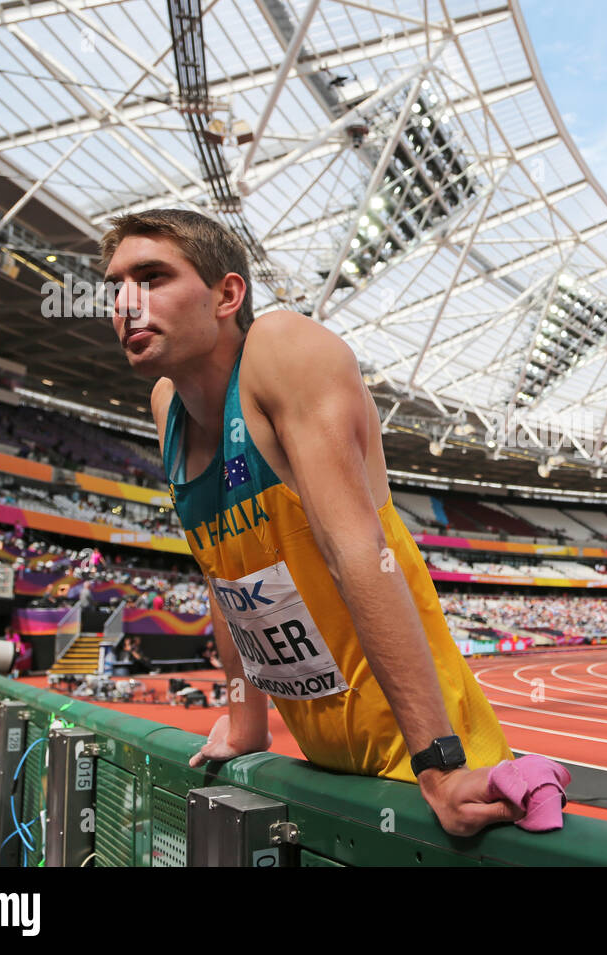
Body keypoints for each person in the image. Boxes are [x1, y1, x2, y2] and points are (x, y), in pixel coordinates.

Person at [102, 209, 525, 837]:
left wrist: (439, 763)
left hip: (436, 771)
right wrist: (246, 722)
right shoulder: (167, 405)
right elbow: (228, 579)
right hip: (326, 770)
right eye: (115, 288)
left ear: (227, 294)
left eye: (152, 277)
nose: (126, 303)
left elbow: (354, 548)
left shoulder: (282, 347)